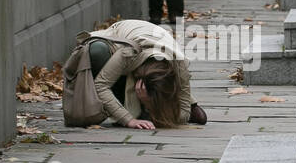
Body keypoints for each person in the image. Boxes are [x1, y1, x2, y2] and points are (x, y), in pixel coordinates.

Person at [65, 18, 207, 129]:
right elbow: (101, 85)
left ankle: (182, 103)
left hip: (158, 46)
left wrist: (149, 104)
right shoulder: (128, 53)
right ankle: (130, 107)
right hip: (121, 41)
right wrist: (129, 120)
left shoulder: (179, 62)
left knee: (197, 116)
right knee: (97, 51)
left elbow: (184, 114)